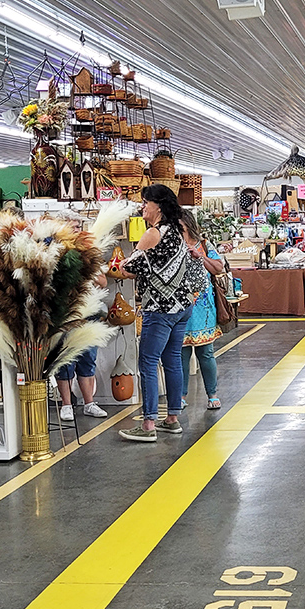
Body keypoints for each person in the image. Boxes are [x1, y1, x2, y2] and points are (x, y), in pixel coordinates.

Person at [119, 184, 193, 443]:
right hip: (182, 306)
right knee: (172, 360)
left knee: (148, 362)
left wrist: (116, 265)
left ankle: (148, 423)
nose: (142, 207)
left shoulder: (153, 234)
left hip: (160, 308)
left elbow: (129, 268)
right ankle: (172, 419)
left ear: (158, 206)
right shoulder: (177, 230)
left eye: (145, 203)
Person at [179, 209, 224, 410]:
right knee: (181, 354)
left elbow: (218, 268)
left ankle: (212, 393)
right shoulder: (172, 247)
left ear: (188, 224)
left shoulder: (204, 245)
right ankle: (180, 395)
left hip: (203, 308)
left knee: (206, 352)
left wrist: (199, 257)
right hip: (180, 306)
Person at [56, 274, 109, 421]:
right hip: (67, 312)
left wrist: (88, 271)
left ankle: (89, 403)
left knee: (88, 359)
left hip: (90, 313)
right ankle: (66, 405)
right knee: (66, 360)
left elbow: (103, 282)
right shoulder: (62, 255)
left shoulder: (92, 255)